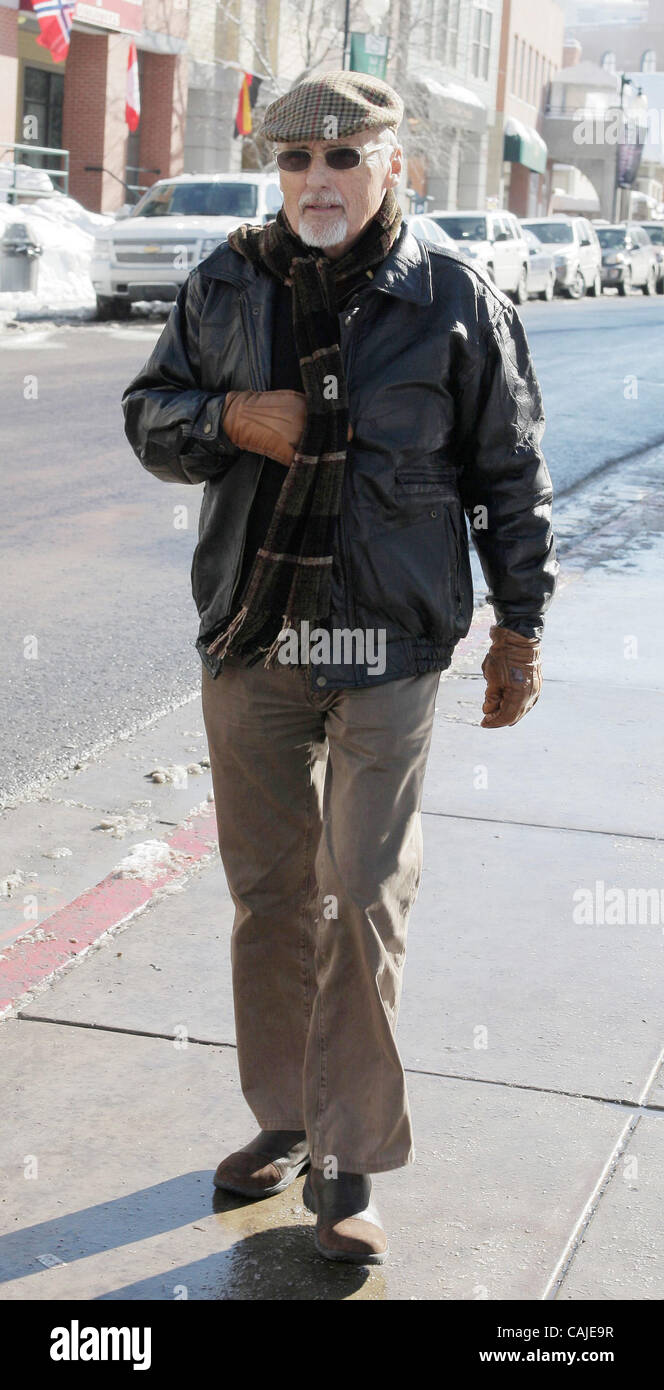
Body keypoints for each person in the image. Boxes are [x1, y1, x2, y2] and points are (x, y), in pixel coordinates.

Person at [122, 70, 558, 1267]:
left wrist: (520, 623)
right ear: (277, 169)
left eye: (342, 160)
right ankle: (286, 1117)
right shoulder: (223, 281)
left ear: (390, 165)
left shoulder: (453, 296)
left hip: (388, 643)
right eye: (296, 162)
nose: (318, 181)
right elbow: (148, 411)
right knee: (268, 894)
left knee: (359, 894)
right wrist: (223, 423)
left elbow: (510, 470)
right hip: (254, 635)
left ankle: (349, 1157)